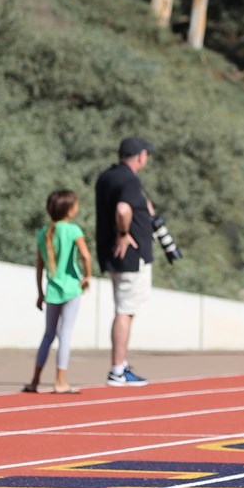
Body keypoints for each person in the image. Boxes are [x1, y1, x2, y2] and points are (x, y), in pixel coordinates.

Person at [94, 136, 155, 387]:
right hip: (129, 256)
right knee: (125, 311)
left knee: (123, 308)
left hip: (111, 253)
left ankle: (121, 364)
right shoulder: (129, 179)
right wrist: (124, 233)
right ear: (140, 156)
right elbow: (122, 209)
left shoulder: (106, 176)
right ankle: (117, 369)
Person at [25, 189, 92, 394]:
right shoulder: (73, 231)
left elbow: (39, 266)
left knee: (48, 335)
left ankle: (35, 381)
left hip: (52, 290)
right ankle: (60, 381)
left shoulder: (44, 232)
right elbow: (86, 256)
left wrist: (40, 292)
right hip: (71, 288)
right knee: (66, 333)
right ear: (70, 210)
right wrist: (87, 277)